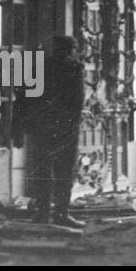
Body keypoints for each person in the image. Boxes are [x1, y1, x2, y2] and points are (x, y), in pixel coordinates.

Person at [24, 34, 85, 228]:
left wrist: (33, 122)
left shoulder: (40, 66)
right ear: (71, 50)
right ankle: (61, 214)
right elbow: (78, 101)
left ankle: (41, 214)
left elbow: (28, 97)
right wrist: (72, 124)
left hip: (41, 127)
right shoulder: (75, 68)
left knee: (42, 169)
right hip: (65, 128)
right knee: (64, 171)